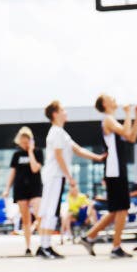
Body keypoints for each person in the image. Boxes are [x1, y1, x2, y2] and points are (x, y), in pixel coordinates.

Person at [38, 100, 106, 259]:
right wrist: (69, 177)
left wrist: (97, 157)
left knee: (51, 211)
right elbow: (59, 155)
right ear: (55, 114)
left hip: (57, 176)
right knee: (49, 211)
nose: (65, 112)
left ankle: (45, 246)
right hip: (54, 175)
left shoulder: (61, 133)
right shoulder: (55, 132)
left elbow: (77, 149)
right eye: (62, 110)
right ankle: (44, 246)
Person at [80, 95, 137, 258]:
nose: (115, 99)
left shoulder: (112, 121)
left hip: (117, 169)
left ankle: (89, 237)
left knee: (116, 209)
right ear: (105, 104)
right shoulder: (108, 119)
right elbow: (125, 131)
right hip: (114, 170)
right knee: (122, 208)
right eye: (110, 98)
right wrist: (128, 113)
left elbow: (131, 137)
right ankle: (116, 247)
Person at [1, 127, 43, 256]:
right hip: (20, 188)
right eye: (22, 141)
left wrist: (30, 151)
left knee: (39, 215)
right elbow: (12, 172)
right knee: (25, 219)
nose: (24, 144)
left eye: (27, 141)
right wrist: (7, 188)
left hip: (35, 187)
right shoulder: (16, 155)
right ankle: (28, 246)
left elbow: (35, 168)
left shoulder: (37, 152)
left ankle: (44, 244)